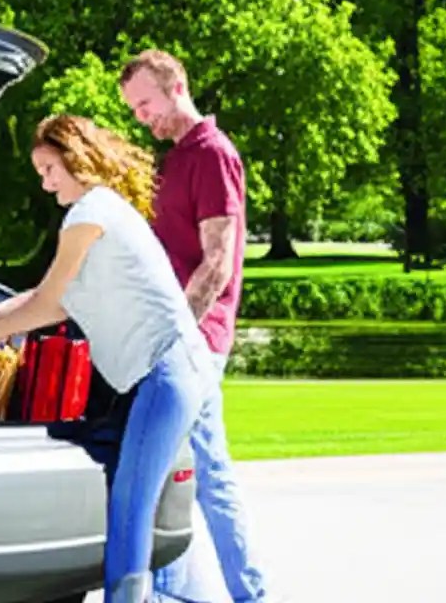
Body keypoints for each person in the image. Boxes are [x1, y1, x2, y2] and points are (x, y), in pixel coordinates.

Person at [0, 113, 217, 603]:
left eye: (48, 168)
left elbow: (43, 307)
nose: (44, 182)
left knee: (131, 505)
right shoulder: (104, 209)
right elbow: (56, 298)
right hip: (171, 371)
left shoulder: (86, 215)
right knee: (138, 498)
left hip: (165, 374)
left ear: (74, 157)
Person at [119, 49, 273, 602]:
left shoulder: (211, 153)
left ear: (176, 85)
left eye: (145, 103)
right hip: (177, 339)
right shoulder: (178, 158)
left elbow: (218, 258)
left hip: (194, 341)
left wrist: (178, 337)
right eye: (134, 109)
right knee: (182, 470)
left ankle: (241, 594)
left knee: (195, 470)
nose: (141, 117)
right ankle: (184, 591)